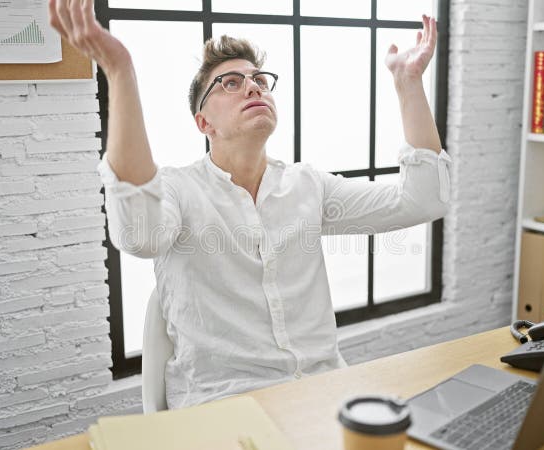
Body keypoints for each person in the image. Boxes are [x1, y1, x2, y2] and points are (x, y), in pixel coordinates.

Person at [49, 0, 451, 410]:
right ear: (203, 123)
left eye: (258, 78)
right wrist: (120, 71)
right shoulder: (178, 189)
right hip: (224, 406)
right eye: (230, 83)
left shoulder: (306, 185)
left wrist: (408, 83)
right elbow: (138, 235)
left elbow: (423, 199)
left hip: (323, 392)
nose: (254, 86)